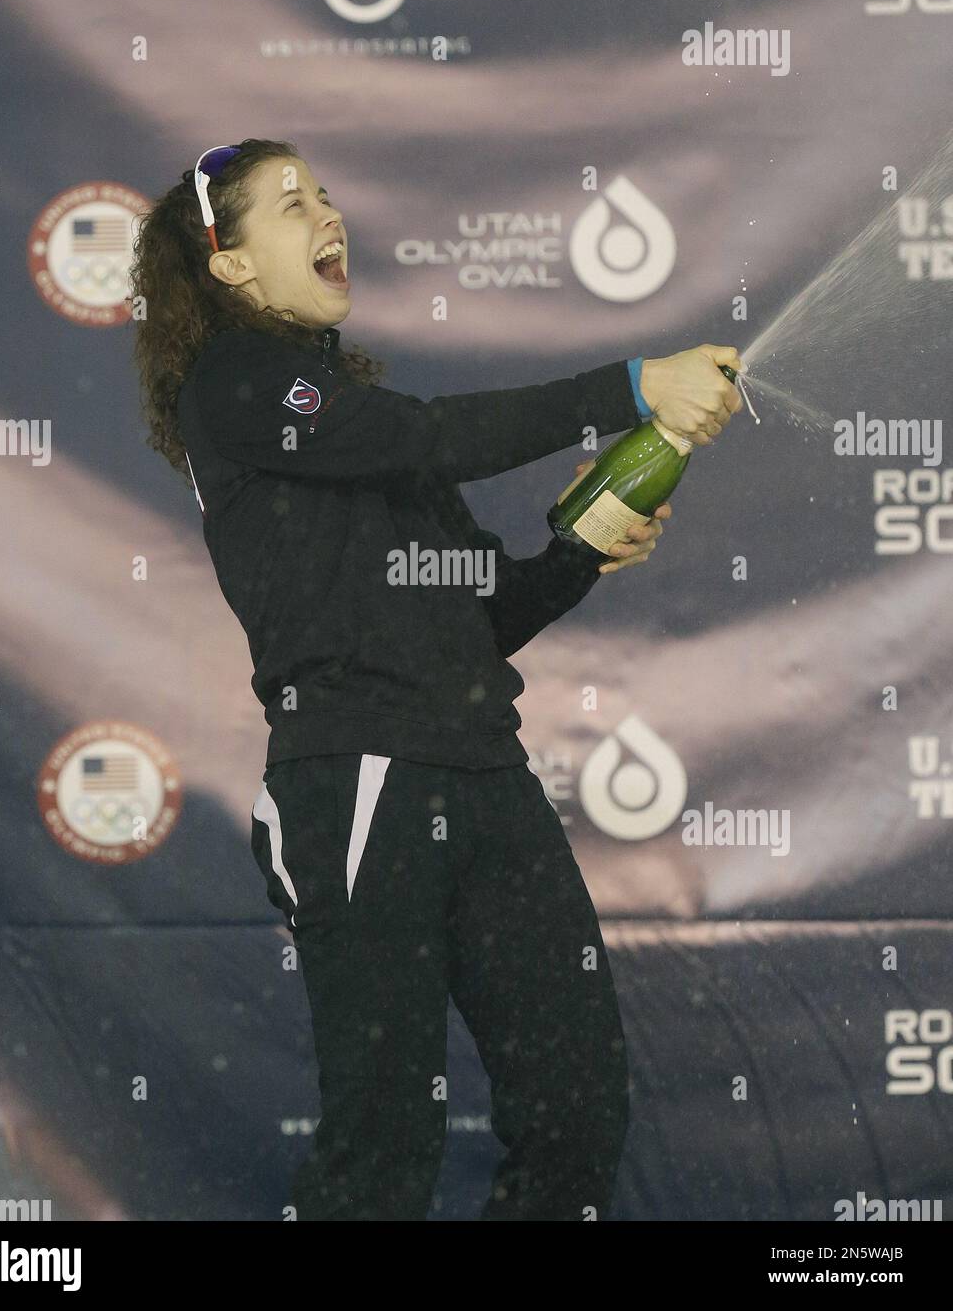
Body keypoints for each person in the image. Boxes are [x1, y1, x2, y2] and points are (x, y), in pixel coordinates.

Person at [130, 137, 742, 1221]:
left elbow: (480, 617)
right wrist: (633, 384)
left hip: (485, 779)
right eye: (289, 203)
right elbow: (425, 435)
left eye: (324, 191)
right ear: (226, 263)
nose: (327, 213)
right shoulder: (236, 386)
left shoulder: (356, 427)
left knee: (576, 1108)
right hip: (359, 781)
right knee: (385, 1146)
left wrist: (581, 552)